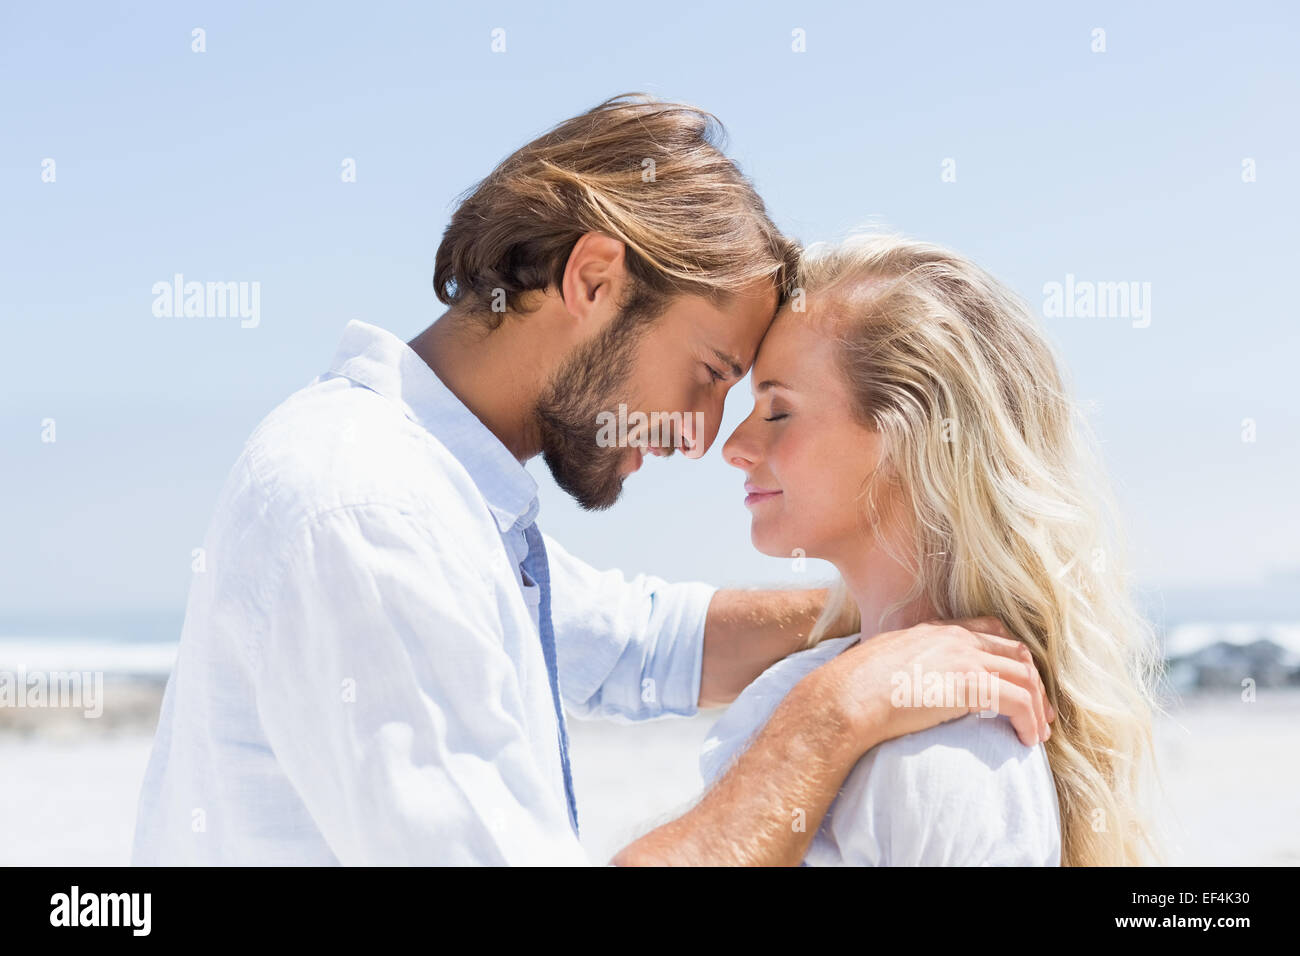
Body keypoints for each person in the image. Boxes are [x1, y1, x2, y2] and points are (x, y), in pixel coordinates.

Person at [131, 96, 1052, 866]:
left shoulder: (441, 490)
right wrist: (834, 712)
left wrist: (904, 620)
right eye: (709, 375)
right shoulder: (371, 512)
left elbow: (642, 642)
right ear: (595, 278)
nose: (703, 438)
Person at [706, 233, 1163, 865]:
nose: (734, 446)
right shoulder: (819, 686)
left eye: (778, 411)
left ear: (911, 437)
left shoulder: (949, 757)